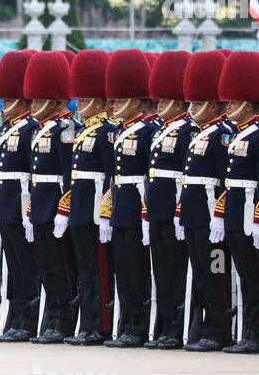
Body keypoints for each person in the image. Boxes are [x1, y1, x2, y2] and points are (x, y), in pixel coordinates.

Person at [216, 51, 259, 355]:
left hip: (251, 211)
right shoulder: (241, 134)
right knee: (244, 273)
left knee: (257, 275)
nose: (227, 105)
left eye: (233, 100)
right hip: (236, 209)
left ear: (249, 102)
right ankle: (250, 329)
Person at [179, 52, 235, 352]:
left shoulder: (223, 135)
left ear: (213, 105)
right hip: (194, 214)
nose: (193, 109)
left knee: (216, 273)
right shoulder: (200, 133)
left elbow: (225, 178)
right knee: (201, 273)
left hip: (212, 216)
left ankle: (219, 329)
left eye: (198, 103)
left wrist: (219, 216)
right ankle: (203, 328)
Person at [60, 50, 115, 346]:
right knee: (85, 271)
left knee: (98, 270)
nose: (79, 105)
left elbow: (110, 176)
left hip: (95, 207)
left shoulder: (107, 132)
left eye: (84, 99)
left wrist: (105, 211)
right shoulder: (82, 131)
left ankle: (99, 325)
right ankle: (88, 323)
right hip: (80, 207)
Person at [105, 49, 160, 348]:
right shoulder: (122, 131)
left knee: (138, 271)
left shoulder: (150, 131)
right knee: (123, 269)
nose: (113, 104)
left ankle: (138, 327)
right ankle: (126, 323)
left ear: (137, 101)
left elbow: (149, 176)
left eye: (120, 98)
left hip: (138, 205)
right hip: (121, 205)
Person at [23, 50, 77, 344]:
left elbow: (68, 175)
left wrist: (64, 209)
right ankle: (52, 319)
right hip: (40, 203)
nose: (33, 104)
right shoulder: (42, 130)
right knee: (46, 267)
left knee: (61, 268)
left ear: (55, 100)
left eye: (39, 98)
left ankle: (63, 321)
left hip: (55, 202)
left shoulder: (65, 131)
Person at [144, 52, 195, 349]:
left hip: (174, 210)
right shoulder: (164, 129)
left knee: (176, 273)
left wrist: (178, 210)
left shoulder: (188, 130)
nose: (159, 104)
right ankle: (164, 326)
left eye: (164, 99)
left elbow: (185, 174)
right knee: (161, 273)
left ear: (178, 100)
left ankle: (175, 328)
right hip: (157, 210)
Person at [0, 51, 40, 342]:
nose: (6, 104)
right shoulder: (7, 129)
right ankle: (14, 317)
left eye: (11, 99)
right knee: (12, 266)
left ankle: (27, 320)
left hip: (23, 204)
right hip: (7, 205)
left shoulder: (30, 129)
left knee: (26, 265)